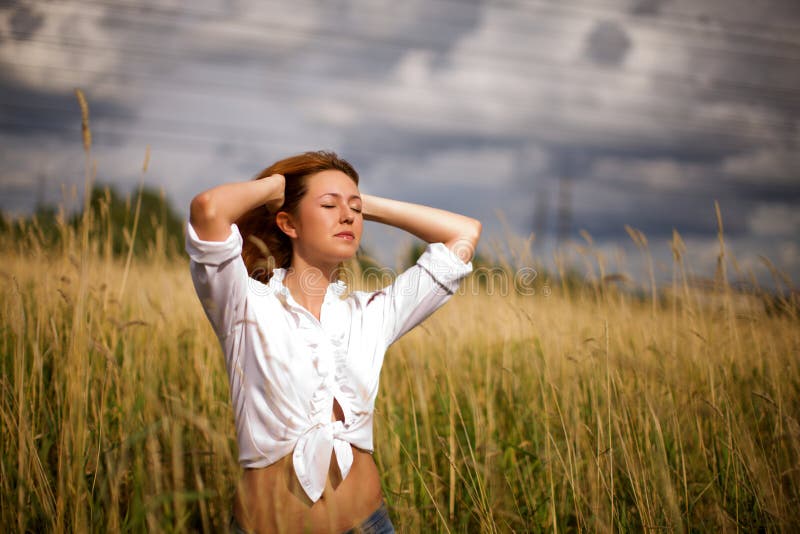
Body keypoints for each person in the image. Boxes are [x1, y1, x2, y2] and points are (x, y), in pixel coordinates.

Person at [186, 151, 481, 533]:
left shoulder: (371, 314)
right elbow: (208, 210)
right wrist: (277, 188)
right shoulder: (243, 304)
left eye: (355, 210)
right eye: (328, 205)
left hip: (368, 525)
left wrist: (358, 204)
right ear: (288, 223)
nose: (348, 217)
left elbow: (464, 233)